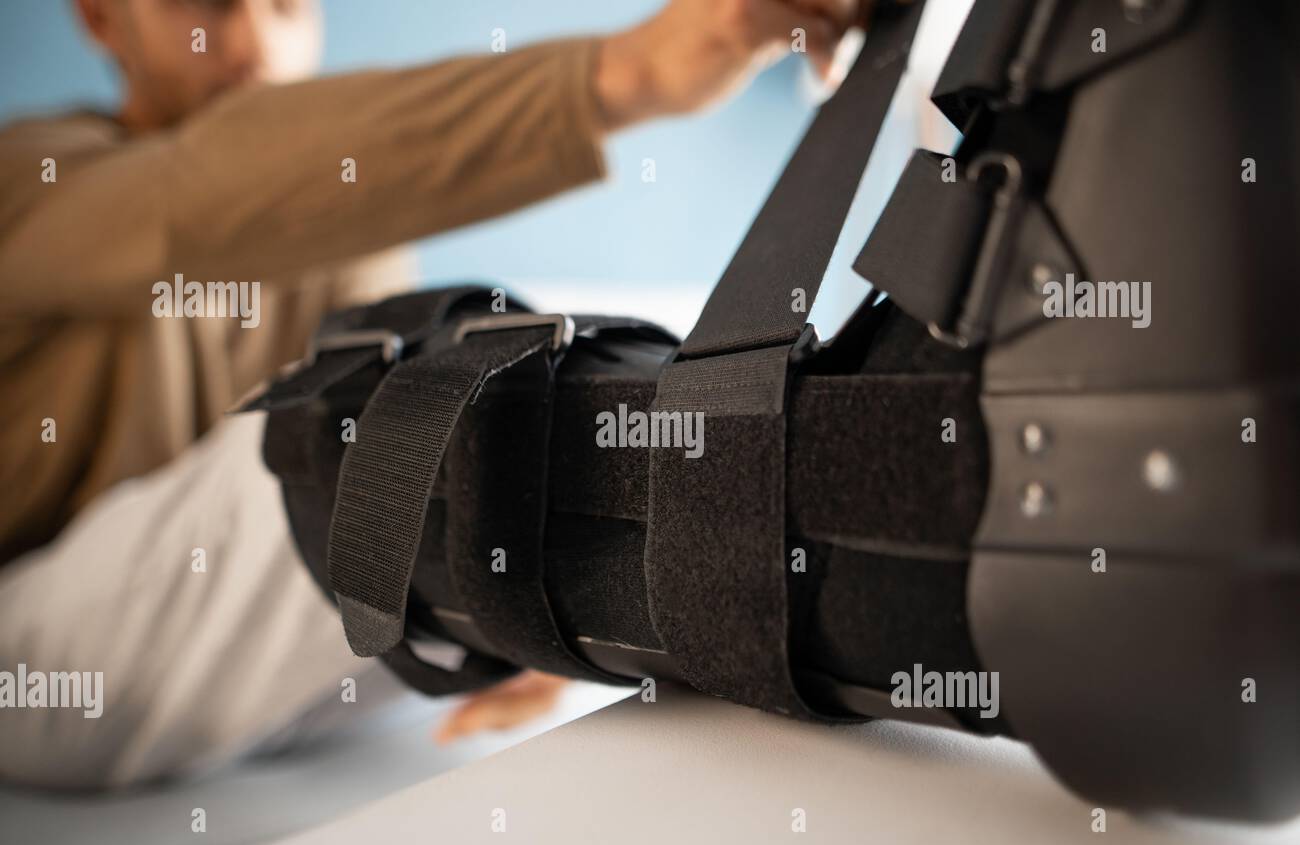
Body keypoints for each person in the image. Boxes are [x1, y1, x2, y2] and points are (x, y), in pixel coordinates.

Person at [0, 0, 862, 788]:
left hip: (248, 676)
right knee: (378, 424)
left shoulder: (331, 223)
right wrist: (622, 75)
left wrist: (505, 606)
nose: (257, 42)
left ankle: (838, 587)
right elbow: (197, 192)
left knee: (463, 400)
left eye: (287, 5)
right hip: (36, 666)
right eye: (211, 9)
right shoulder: (30, 179)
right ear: (103, 19)